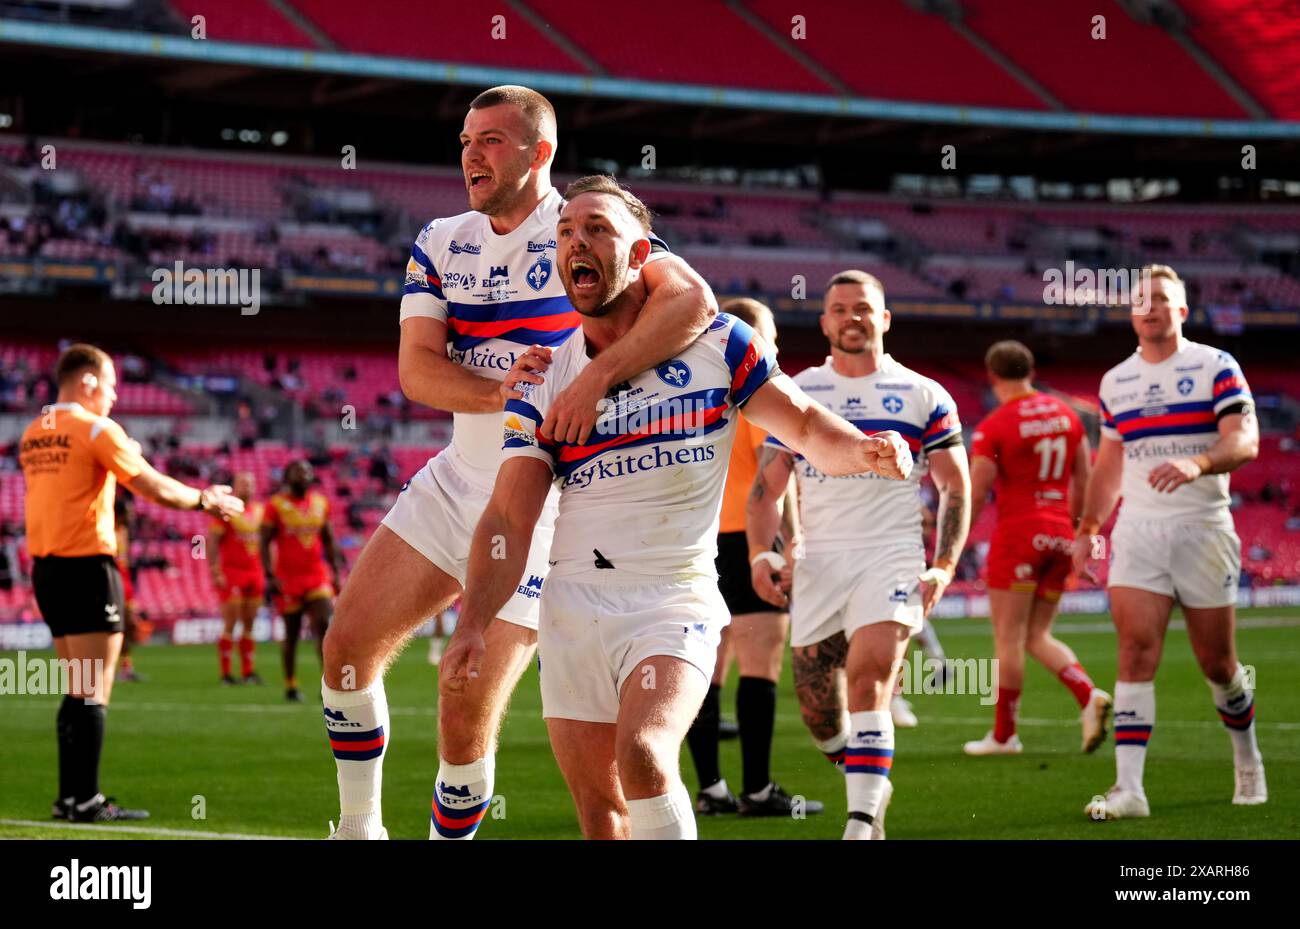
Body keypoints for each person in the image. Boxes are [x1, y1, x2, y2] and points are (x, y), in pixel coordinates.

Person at [442, 177, 911, 839]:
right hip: (573, 602)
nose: (576, 239)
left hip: (673, 598)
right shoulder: (542, 375)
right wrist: (472, 621)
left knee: (644, 752)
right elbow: (508, 516)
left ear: (642, 254)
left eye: (597, 228)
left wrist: (865, 449)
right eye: (566, 231)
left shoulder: (721, 343)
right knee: (602, 815)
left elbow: (803, 424)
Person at [319, 85, 716, 840]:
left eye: (492, 140)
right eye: (466, 140)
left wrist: (597, 376)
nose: (472, 153)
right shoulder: (441, 239)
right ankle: (358, 825)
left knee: (460, 709)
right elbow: (416, 370)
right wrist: (501, 389)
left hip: (541, 504)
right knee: (345, 647)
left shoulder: (583, 228)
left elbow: (693, 303)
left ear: (540, 153)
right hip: (457, 478)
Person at [747, 270, 971, 839]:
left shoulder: (925, 395)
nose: (853, 318)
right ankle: (869, 777)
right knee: (820, 716)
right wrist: (760, 556)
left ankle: (860, 823)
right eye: (840, 309)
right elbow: (765, 489)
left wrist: (942, 566)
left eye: (864, 308)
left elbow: (956, 487)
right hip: (819, 563)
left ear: (885, 318)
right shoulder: (798, 392)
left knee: (870, 680)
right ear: (824, 322)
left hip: (891, 557)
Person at [19, 343, 241, 822]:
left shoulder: (34, 433)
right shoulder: (96, 428)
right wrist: (205, 499)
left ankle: (69, 799)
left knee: (76, 688)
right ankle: (88, 801)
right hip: (89, 569)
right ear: (89, 383)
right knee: (95, 690)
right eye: (112, 384)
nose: (116, 396)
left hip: (48, 571)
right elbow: (150, 485)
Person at [1075, 266, 1264, 819]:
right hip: (1139, 530)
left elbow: (1246, 440)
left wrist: (1198, 461)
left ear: (1182, 310)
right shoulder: (1116, 382)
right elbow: (1108, 464)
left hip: (1204, 527)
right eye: (1141, 300)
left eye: (1162, 298)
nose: (1150, 306)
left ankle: (1247, 755)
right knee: (1134, 651)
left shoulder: (1215, 366)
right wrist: (1089, 529)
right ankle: (1129, 789)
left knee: (1219, 665)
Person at [685, 296, 822, 817]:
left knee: (705, 668)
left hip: (696, 538)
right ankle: (759, 790)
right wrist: (789, 541)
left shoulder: (694, 385)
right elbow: (773, 480)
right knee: (759, 666)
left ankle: (710, 790)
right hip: (750, 539)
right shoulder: (765, 390)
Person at [962, 341, 1110, 756]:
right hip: (1061, 533)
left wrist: (954, 544)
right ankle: (1087, 695)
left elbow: (977, 493)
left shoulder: (994, 426)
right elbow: (1085, 477)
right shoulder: (1068, 415)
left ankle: (1005, 736)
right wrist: (1079, 531)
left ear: (992, 376)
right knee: (1037, 635)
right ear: (1030, 369)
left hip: (1018, 536)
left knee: (1008, 639)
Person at [262, 460, 340, 702]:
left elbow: (328, 539)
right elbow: (263, 542)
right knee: (292, 633)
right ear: (287, 477)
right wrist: (269, 575)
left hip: (317, 576)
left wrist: (335, 571)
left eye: (306, 470)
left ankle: (327, 684)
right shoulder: (275, 506)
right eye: (297, 471)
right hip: (288, 580)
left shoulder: (321, 503)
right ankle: (291, 685)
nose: (303, 474)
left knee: (325, 627)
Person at [210, 471, 265, 685]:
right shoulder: (226, 510)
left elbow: (267, 542)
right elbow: (212, 541)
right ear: (234, 485)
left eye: (250, 483)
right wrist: (215, 569)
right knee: (230, 622)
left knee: (250, 622)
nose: (247, 487)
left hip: (255, 572)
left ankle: (247, 672)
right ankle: (225, 674)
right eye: (243, 483)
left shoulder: (261, 510)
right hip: (232, 573)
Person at [112, 492, 146, 683]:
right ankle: (111, 668)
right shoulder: (105, 530)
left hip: (125, 583)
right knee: (114, 627)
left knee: (128, 627)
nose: (132, 515)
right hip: (112, 582)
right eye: (129, 512)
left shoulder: (124, 532)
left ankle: (126, 667)